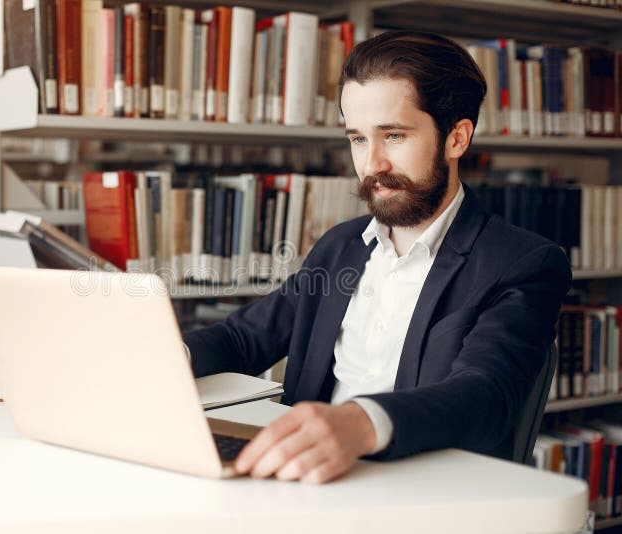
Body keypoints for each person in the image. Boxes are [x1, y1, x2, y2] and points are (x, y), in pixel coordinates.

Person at [183, 30, 572, 484]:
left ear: (456, 138)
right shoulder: (341, 247)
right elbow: (243, 338)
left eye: (393, 135)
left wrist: (360, 422)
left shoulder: (523, 262)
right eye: (359, 139)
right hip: (307, 481)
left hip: (421, 489)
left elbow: (484, 395)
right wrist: (168, 358)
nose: (372, 164)